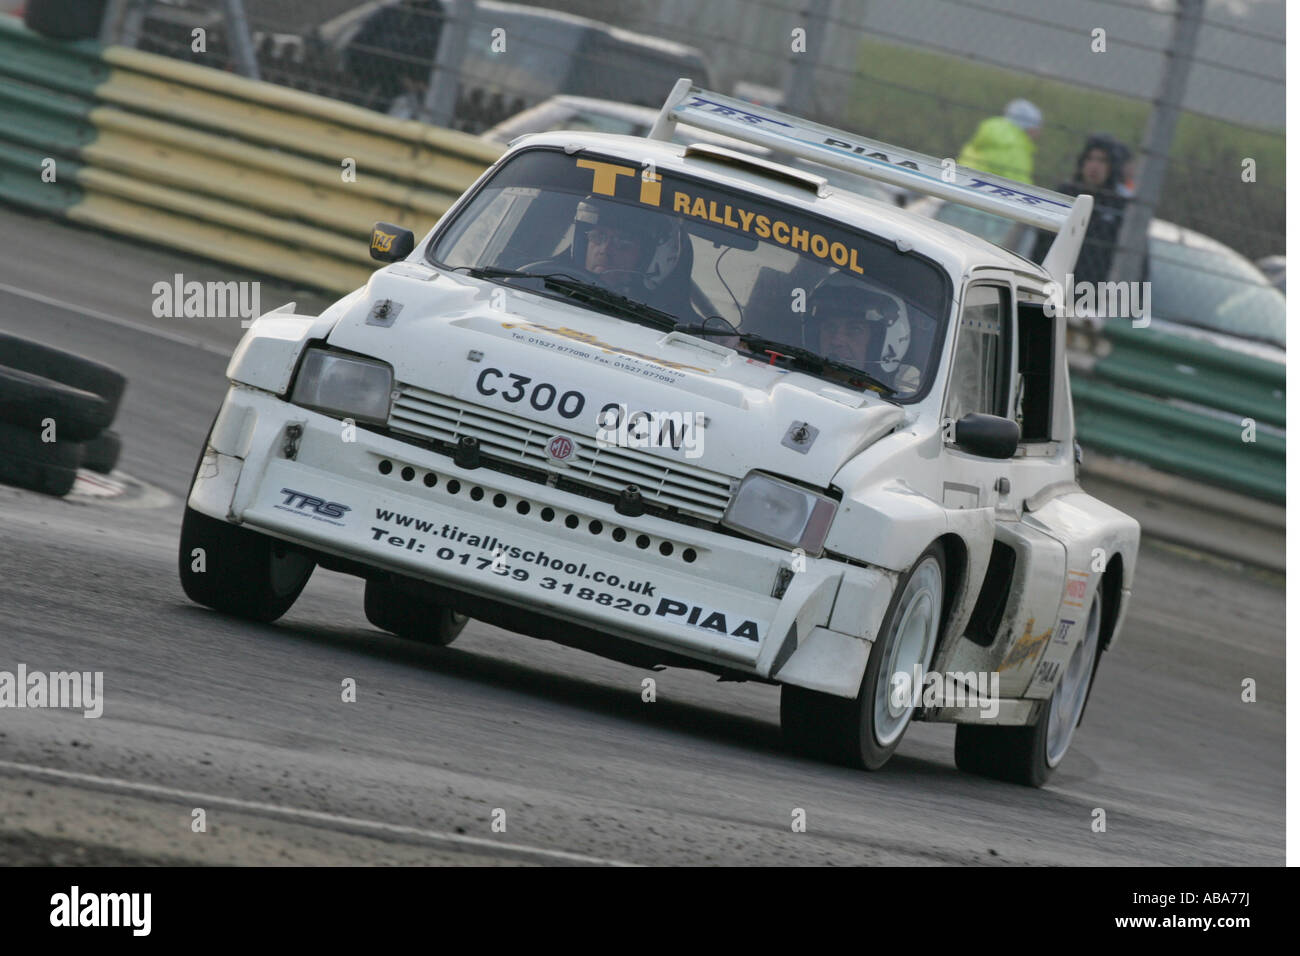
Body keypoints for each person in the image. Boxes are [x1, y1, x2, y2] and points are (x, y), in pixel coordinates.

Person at [1034, 133, 1130, 286]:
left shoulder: (1119, 206)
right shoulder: (1065, 193)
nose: (1094, 166)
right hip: (1051, 282)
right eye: (1090, 159)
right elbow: (1041, 243)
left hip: (1093, 293)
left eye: (1102, 161)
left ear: (1112, 167)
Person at [803, 273, 918, 393]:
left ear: (883, 343)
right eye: (829, 327)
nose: (837, 341)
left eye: (854, 330)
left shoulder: (905, 408)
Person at [956, 99, 1042, 185]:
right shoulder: (1016, 149)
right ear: (1030, 128)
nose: (1039, 133)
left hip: (959, 184)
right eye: (1037, 127)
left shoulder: (986, 131)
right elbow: (1020, 186)